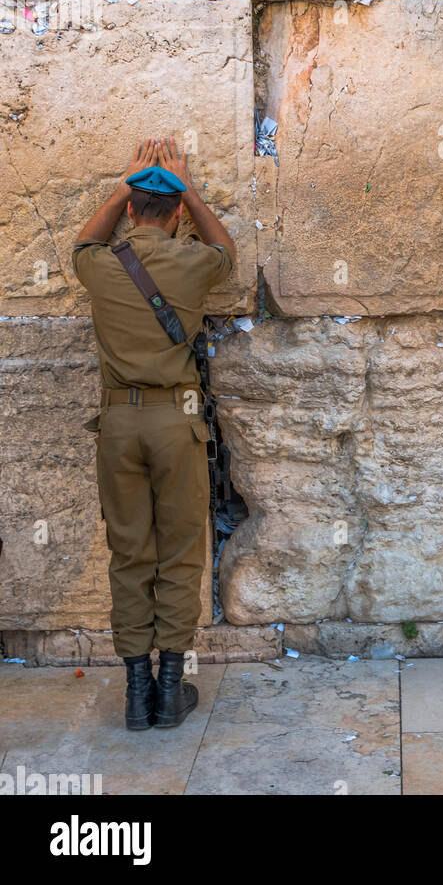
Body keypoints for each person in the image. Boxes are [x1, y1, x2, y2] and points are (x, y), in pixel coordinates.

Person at [73, 137, 235, 729]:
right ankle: (171, 689)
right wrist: (187, 187)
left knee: (130, 552)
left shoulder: (100, 266)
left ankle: (135, 694)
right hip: (176, 422)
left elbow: (85, 243)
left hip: (118, 425)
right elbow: (224, 249)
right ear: (174, 215)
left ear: (132, 209)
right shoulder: (192, 264)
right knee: (180, 551)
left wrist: (124, 186)